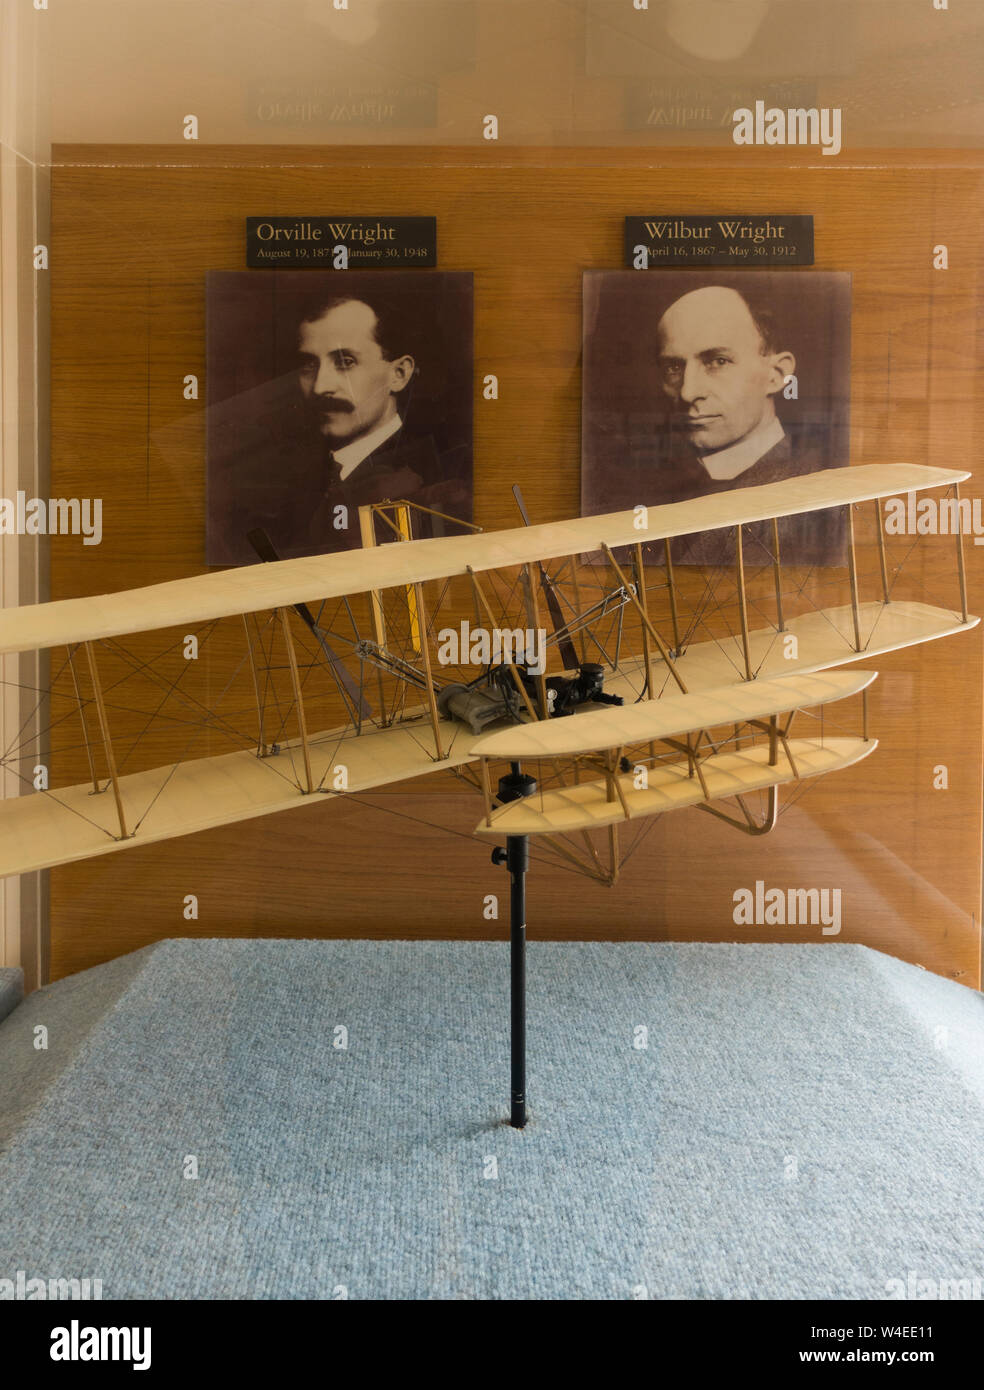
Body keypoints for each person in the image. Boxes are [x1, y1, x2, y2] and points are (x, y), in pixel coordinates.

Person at [207, 289, 471, 563]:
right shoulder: (284, 477)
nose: (321, 387)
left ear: (399, 374)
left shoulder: (440, 477)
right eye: (309, 365)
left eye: (345, 362)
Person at [652, 283, 844, 566]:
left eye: (718, 361)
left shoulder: (814, 501)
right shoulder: (666, 488)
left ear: (776, 375)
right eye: (673, 368)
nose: (687, 392)